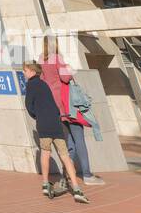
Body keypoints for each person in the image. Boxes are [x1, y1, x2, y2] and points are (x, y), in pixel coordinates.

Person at [23, 62, 89, 203]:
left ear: (32, 72)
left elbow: (29, 106)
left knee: (45, 153)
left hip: (44, 124)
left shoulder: (30, 85)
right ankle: (76, 188)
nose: (24, 73)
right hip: (56, 123)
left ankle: (46, 184)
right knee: (64, 156)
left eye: (25, 71)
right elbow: (53, 104)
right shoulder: (45, 84)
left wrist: (37, 116)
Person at [65, 79, 105, 186]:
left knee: (71, 143)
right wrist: (67, 69)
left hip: (62, 113)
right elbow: (66, 77)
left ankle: (68, 172)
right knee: (79, 142)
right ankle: (87, 175)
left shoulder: (46, 71)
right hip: (72, 112)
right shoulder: (58, 65)